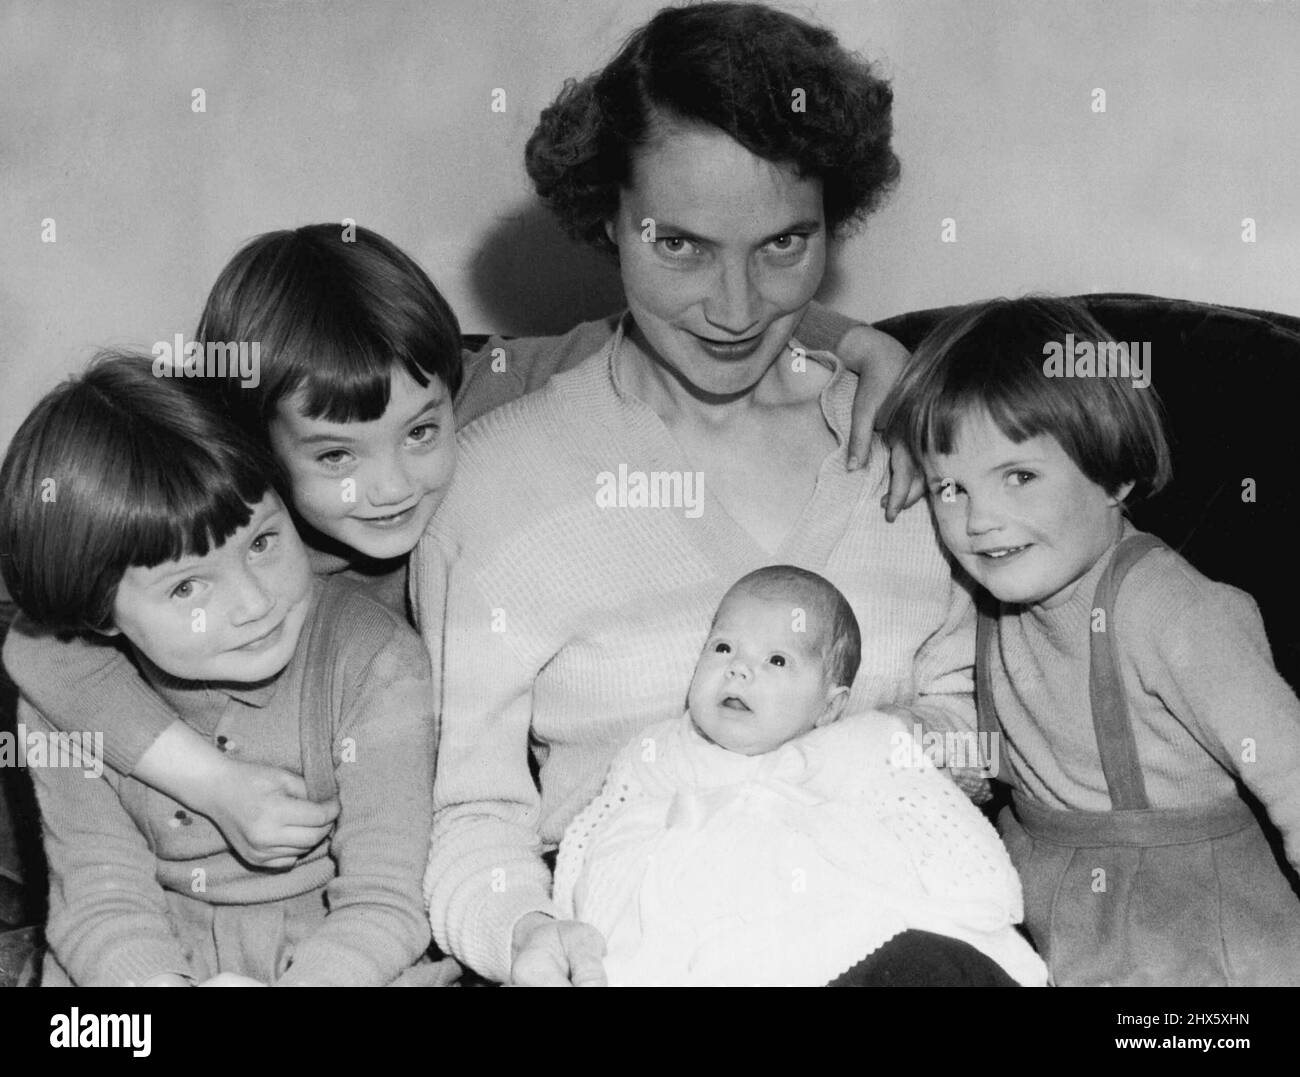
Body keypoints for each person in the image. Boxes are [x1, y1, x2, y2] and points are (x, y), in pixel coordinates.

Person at [2, 211, 910, 868]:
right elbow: (40, 644)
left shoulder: (491, 398)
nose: (393, 483)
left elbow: (669, 329)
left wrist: (865, 343)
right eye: (334, 454)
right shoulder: (242, 556)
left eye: (421, 432)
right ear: (251, 444)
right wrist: (208, 782)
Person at [420, 2, 981, 987]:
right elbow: (473, 817)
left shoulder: (910, 444)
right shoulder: (495, 486)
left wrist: (843, 768)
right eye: (679, 245)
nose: (735, 310)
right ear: (608, 220)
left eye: (781, 246)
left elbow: (977, 724)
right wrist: (524, 937)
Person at [881, 294, 1300, 985]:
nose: (980, 519)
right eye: (949, 487)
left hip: (1190, 931)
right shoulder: (988, 598)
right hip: (1047, 901)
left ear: (1115, 473)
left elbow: (1289, 766)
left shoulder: (1168, 607)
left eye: (1018, 476)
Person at [0, 354, 442, 986]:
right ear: (102, 615)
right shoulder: (68, 695)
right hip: (145, 962)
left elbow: (384, 900)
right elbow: (102, 904)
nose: (254, 604)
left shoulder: (375, 660)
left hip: (338, 962)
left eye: (262, 543)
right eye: (186, 589)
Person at [553, 566, 1048, 987]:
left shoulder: (859, 745)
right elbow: (598, 846)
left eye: (776, 660)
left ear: (830, 706)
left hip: (857, 935)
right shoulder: (660, 753)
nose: (738, 671)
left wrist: (975, 899)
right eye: (723, 647)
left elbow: (929, 815)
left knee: (931, 964)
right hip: (721, 951)